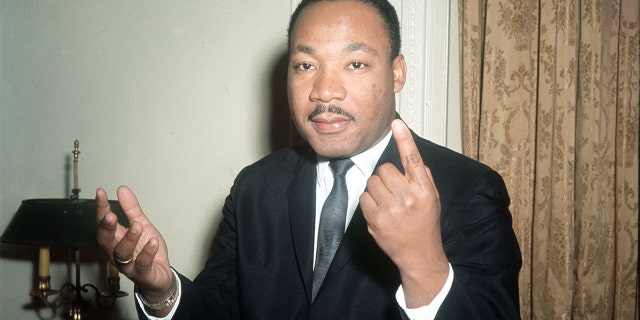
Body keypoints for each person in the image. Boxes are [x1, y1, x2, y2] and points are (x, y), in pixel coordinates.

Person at [96, 0, 522, 319]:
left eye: (355, 63)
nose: (324, 90)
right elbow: (218, 310)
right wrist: (161, 289)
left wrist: (425, 269)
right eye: (305, 65)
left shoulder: (467, 188)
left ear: (397, 73)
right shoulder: (256, 188)